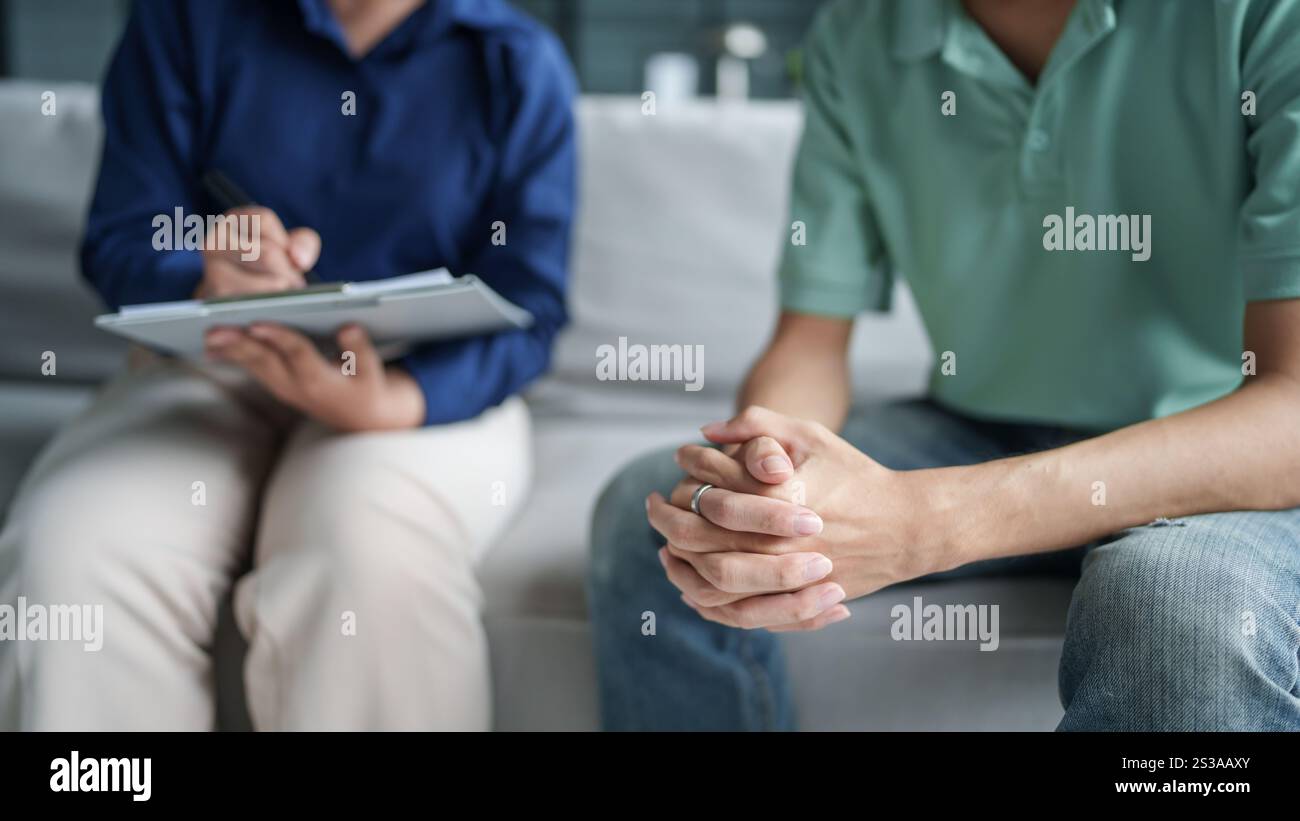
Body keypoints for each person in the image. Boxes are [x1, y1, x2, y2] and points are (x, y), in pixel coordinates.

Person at [588, 0, 1300, 731]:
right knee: (673, 513)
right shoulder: (861, 33)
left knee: (1179, 609)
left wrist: (927, 521)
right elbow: (809, 343)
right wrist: (769, 475)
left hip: (1223, 458)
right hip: (988, 424)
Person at [0, 0, 575, 730]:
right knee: (74, 553)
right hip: (210, 360)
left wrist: (393, 402)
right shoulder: (184, 22)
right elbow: (121, 239)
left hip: (412, 383)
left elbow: (531, 308)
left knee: (367, 556)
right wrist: (205, 273)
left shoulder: (516, 61)